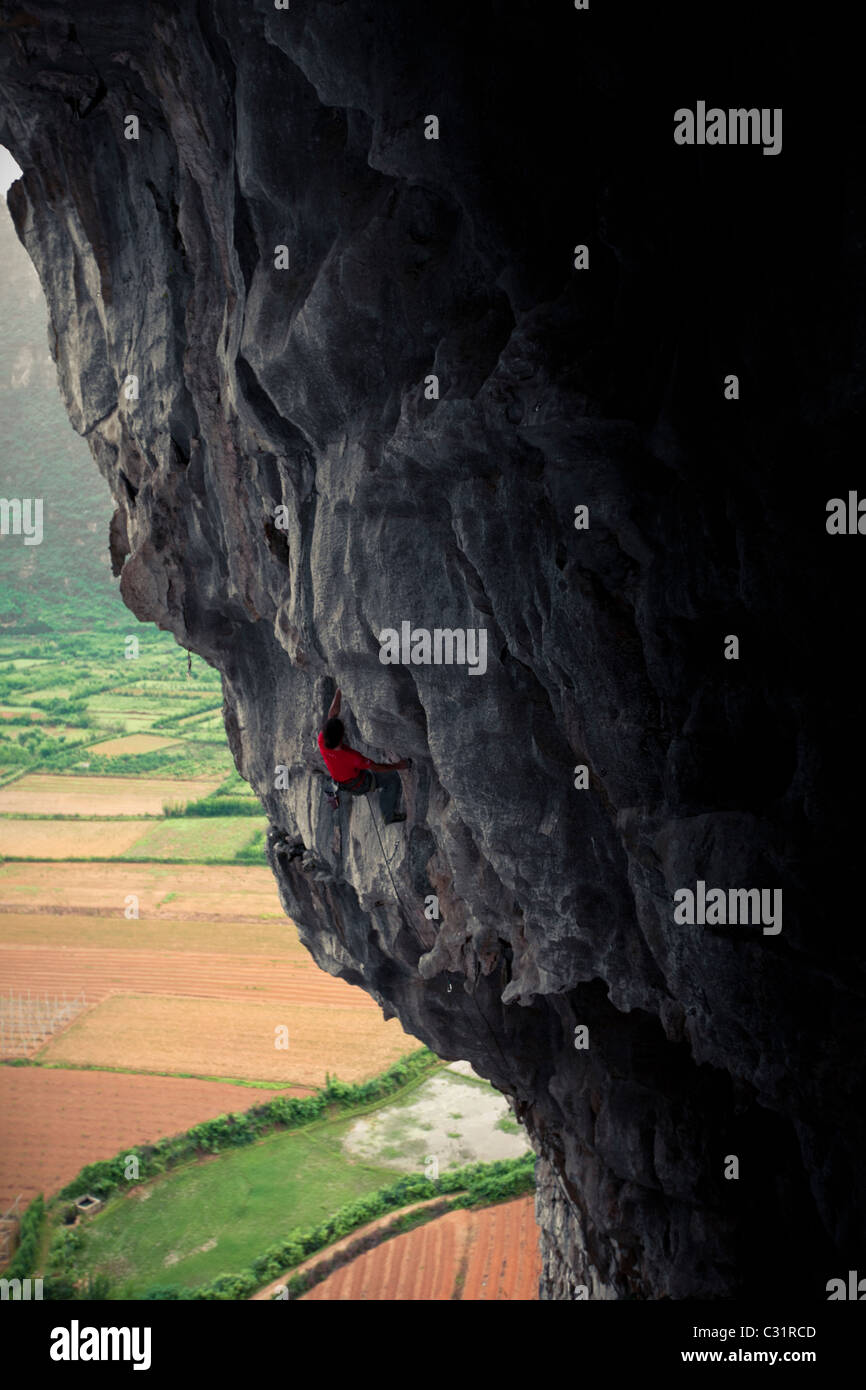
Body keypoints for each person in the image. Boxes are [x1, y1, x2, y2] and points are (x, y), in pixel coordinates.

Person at [317, 688, 409, 824]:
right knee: (392, 779)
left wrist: (339, 692)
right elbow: (376, 767)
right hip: (359, 784)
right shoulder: (351, 757)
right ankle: (388, 816)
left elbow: (332, 714)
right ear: (341, 736)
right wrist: (399, 766)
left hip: (343, 783)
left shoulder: (322, 740)